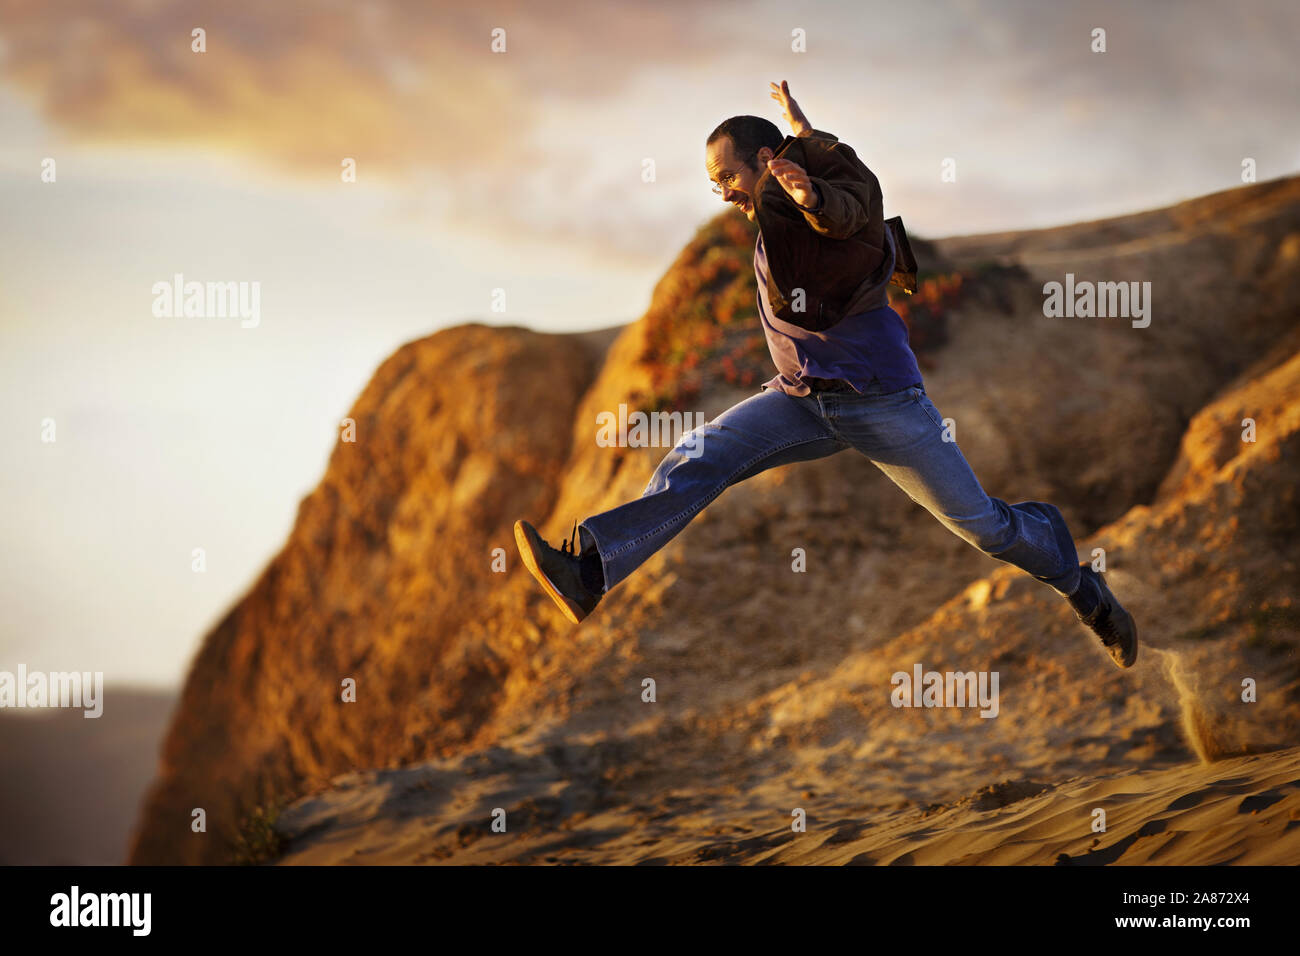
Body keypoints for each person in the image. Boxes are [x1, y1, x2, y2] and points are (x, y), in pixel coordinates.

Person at [515, 81, 1137, 669]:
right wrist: (803, 134)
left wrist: (811, 197)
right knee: (696, 458)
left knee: (983, 527)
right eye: (714, 185)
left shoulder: (824, 210)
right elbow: (819, 178)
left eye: (729, 176)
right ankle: (590, 570)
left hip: (883, 403)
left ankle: (1084, 591)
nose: (725, 192)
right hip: (799, 401)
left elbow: (843, 211)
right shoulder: (776, 218)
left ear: (764, 159)